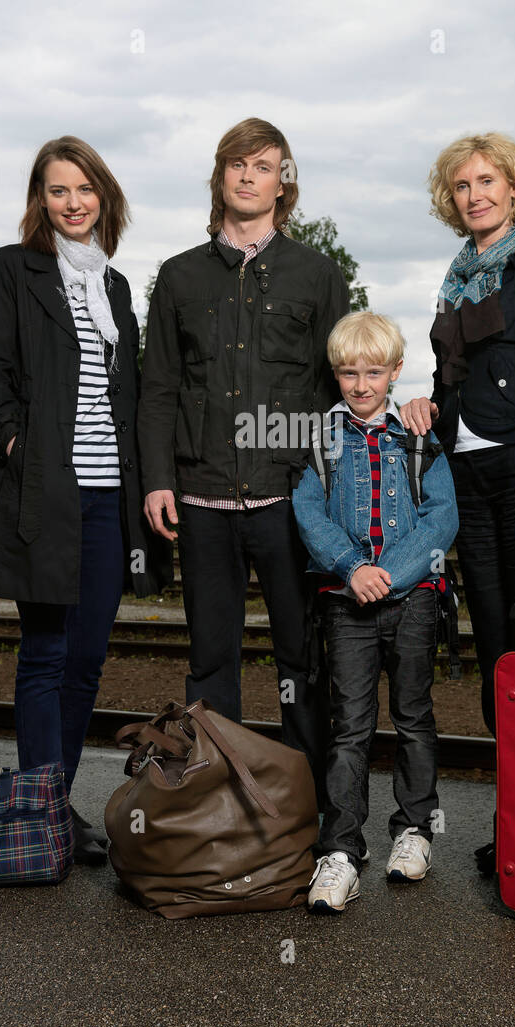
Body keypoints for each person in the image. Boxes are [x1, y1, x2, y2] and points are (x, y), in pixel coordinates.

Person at [0, 136, 172, 864]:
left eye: (85, 190)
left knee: (86, 659)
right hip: (45, 491)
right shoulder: (13, 271)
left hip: (110, 496)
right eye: (58, 190)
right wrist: (17, 447)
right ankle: (42, 811)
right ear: (39, 200)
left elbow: (130, 395)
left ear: (104, 199)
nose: (73, 203)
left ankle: (51, 807)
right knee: (45, 653)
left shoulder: (114, 288)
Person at [139, 118, 349, 787]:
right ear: (220, 177)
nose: (248, 175)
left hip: (291, 500)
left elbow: (333, 395)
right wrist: (157, 480)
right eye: (237, 164)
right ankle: (217, 798)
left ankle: (310, 808)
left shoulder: (319, 276)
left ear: (283, 183)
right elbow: (159, 387)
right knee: (211, 660)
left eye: (264, 166)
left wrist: (330, 492)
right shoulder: (178, 278)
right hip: (200, 498)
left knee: (301, 657)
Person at [400, 132, 515, 874]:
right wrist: (426, 406)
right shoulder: (455, 280)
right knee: (498, 662)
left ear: (514, 188)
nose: (474, 194)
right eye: (461, 186)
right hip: (466, 483)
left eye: (487, 181)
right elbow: (456, 382)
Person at [292, 312, 459, 912]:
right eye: (347, 373)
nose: (361, 385)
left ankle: (414, 831)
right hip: (346, 603)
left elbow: (444, 515)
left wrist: (393, 574)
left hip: (413, 602)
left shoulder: (416, 436)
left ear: (394, 371)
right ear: (334, 375)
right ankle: (340, 850)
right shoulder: (321, 439)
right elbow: (308, 512)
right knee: (350, 727)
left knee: (413, 716)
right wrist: (350, 567)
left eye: (373, 372)